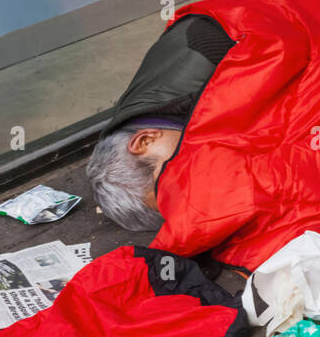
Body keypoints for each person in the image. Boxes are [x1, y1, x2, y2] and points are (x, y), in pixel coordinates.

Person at [86, 13, 234, 232]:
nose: (190, 181)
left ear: (144, 140)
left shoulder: (208, 50)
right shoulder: (146, 115)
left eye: (172, 180)